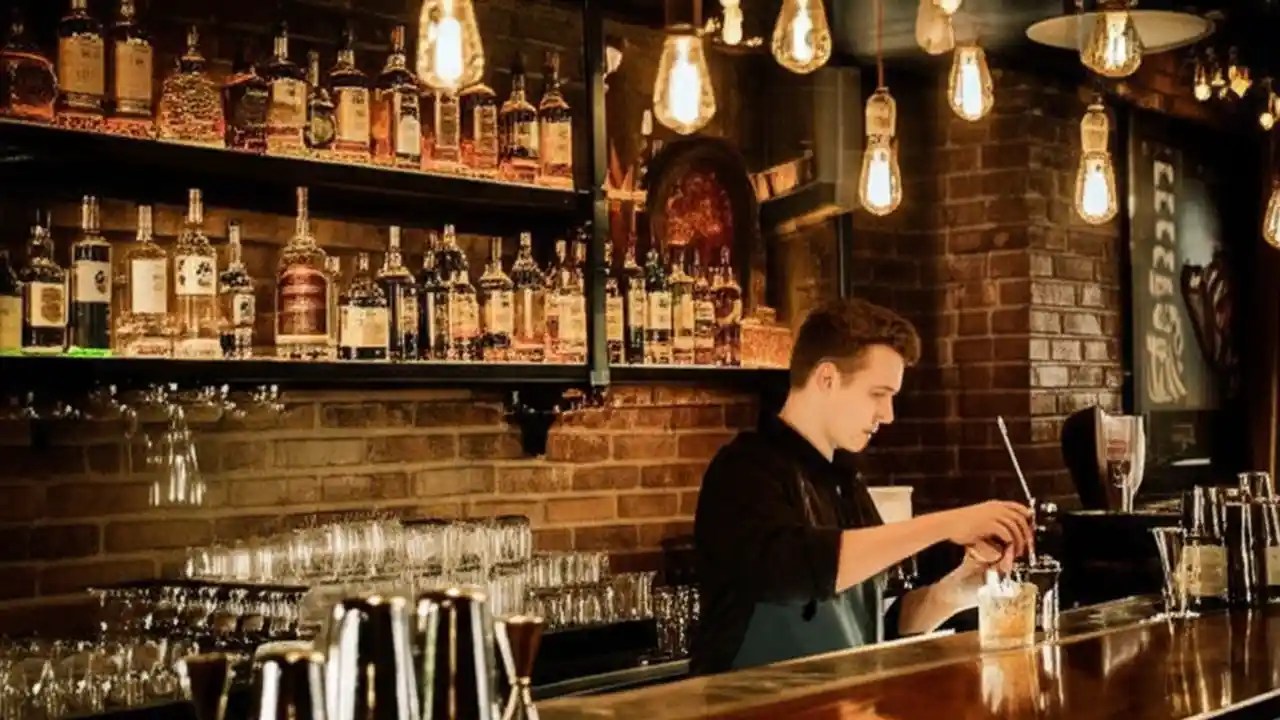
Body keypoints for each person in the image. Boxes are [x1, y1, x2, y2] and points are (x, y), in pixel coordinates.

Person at [690, 297, 1034, 675]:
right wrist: (949, 525)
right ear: (826, 379)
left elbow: (874, 633)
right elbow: (799, 570)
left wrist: (954, 592)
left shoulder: (847, 483)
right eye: (878, 394)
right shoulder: (743, 470)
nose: (887, 415)